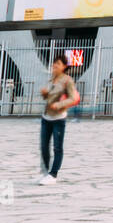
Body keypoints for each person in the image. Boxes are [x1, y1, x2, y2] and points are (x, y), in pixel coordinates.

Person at [38, 55, 79, 185]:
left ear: (64, 66)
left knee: (57, 147)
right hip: (46, 117)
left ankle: (53, 174)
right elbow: (49, 98)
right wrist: (45, 94)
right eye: (54, 63)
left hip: (58, 118)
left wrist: (59, 105)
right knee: (44, 146)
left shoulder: (67, 80)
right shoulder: (51, 80)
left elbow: (73, 98)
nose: (55, 66)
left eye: (58, 64)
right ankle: (46, 172)